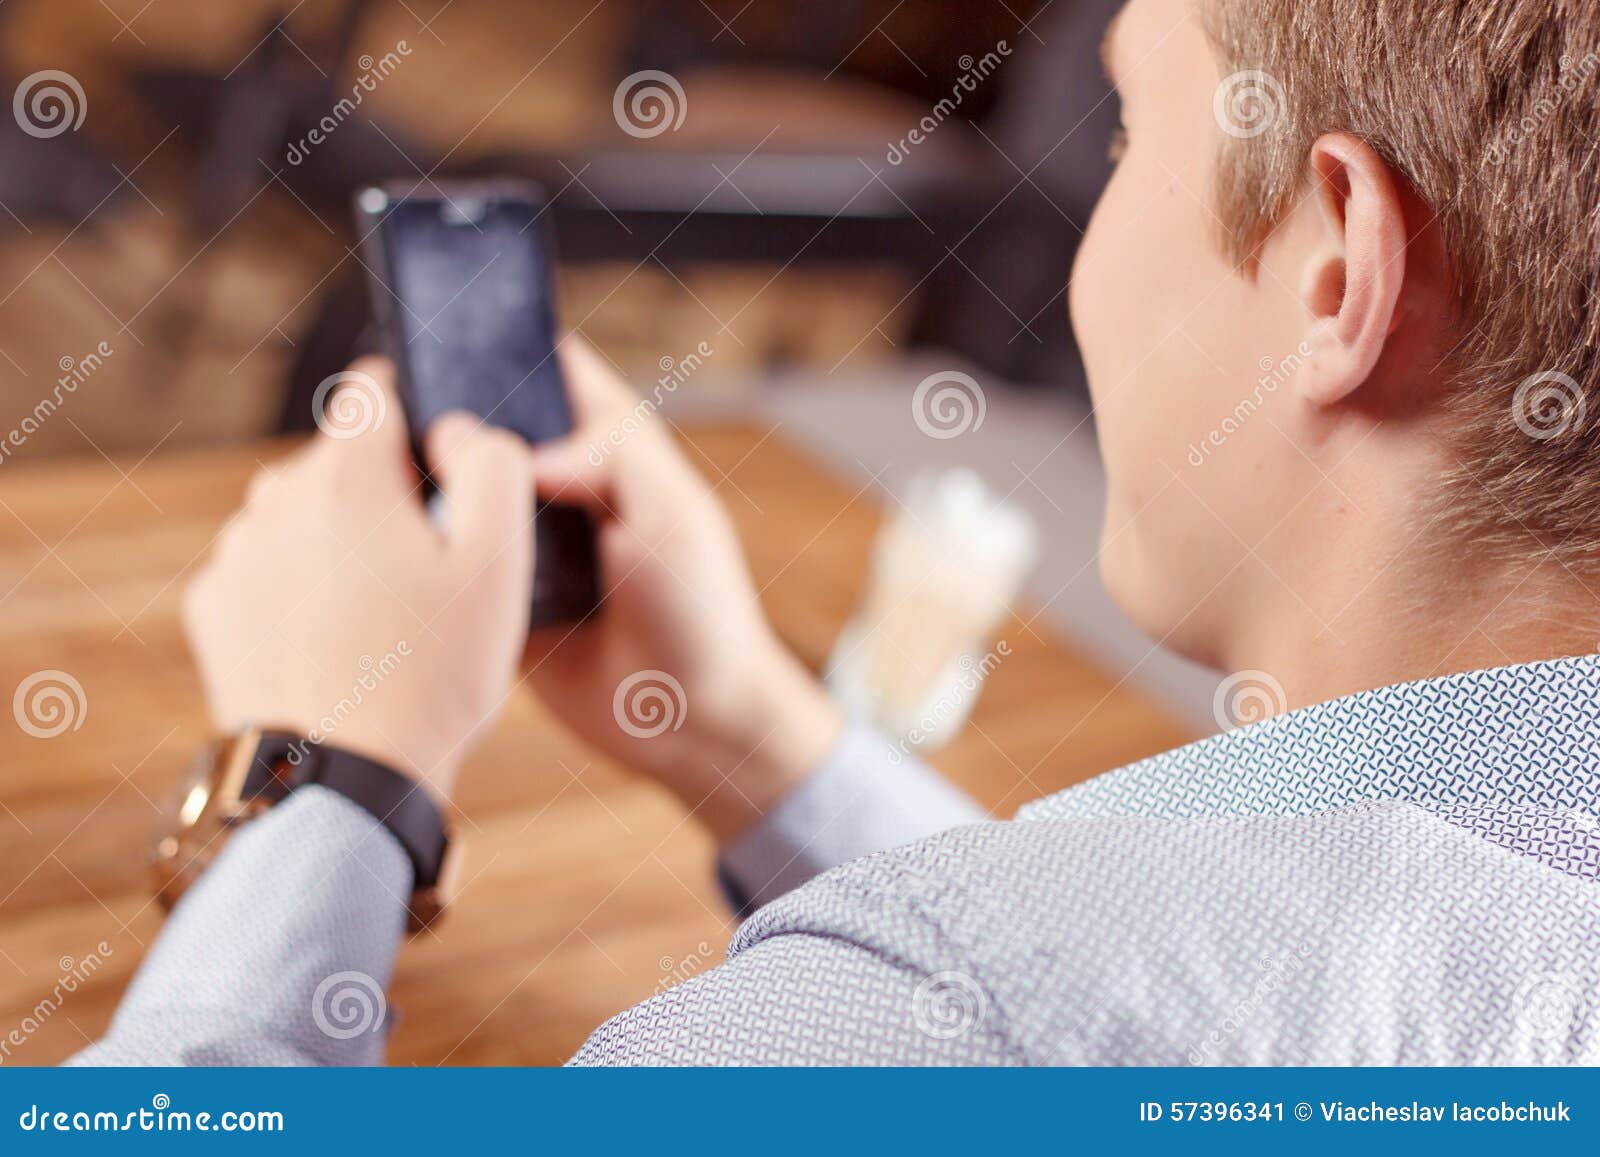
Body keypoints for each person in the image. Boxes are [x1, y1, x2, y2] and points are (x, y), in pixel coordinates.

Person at [74, 0, 1600, 1066]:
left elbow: (1018, 1020)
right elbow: (1165, 994)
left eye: (1132, 132)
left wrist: (326, 778)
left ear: (1336, 277)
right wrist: (753, 738)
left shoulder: (922, 1028)